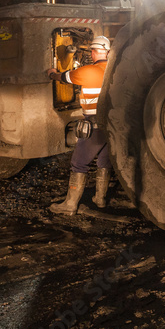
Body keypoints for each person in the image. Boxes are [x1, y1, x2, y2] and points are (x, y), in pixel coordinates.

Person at [47, 35, 112, 214]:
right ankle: (100, 199)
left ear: (93, 52)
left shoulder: (88, 71)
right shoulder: (116, 71)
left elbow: (64, 77)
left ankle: (69, 206)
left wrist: (52, 73)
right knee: (104, 162)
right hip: (112, 126)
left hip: (94, 125)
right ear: (107, 52)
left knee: (79, 163)